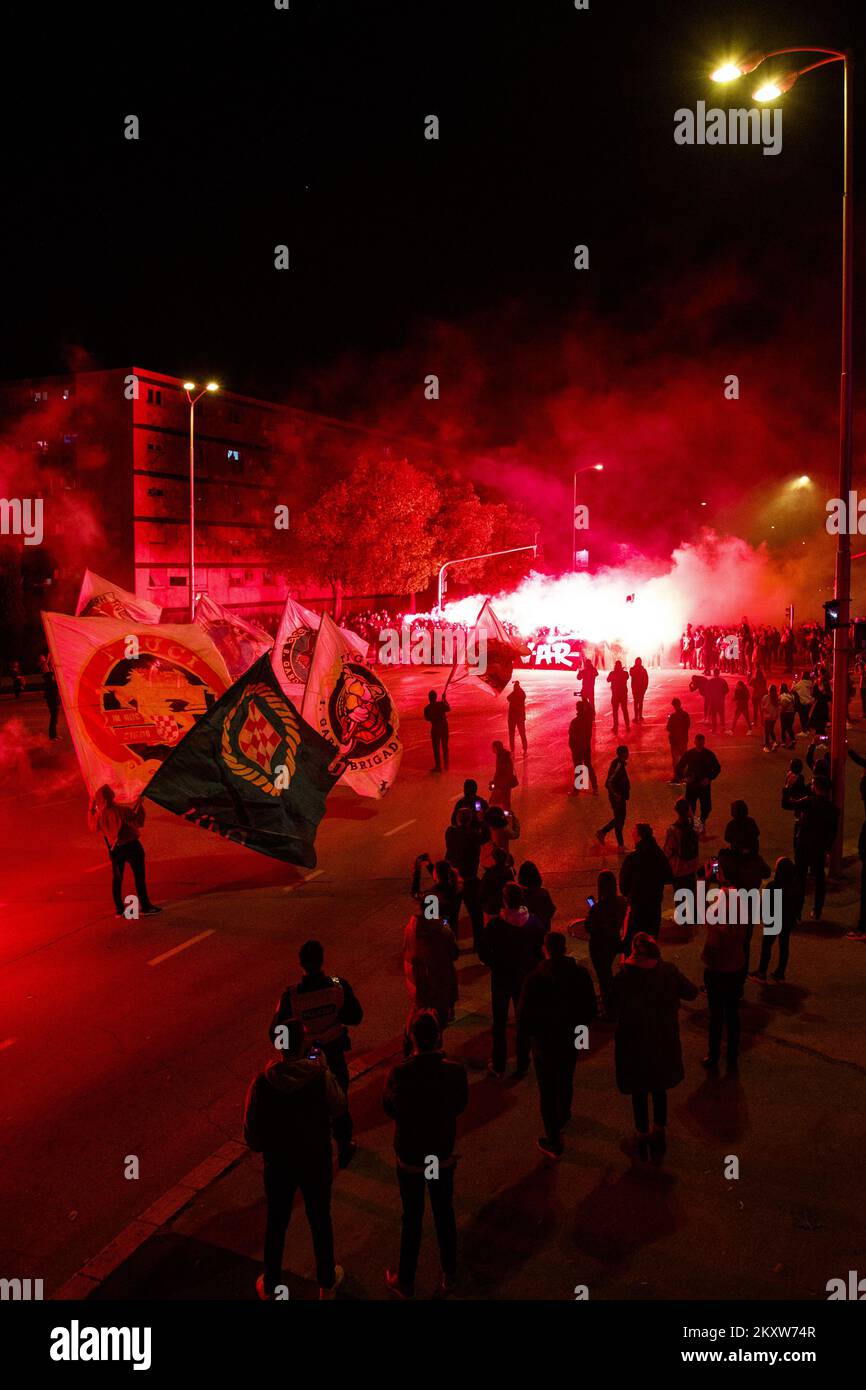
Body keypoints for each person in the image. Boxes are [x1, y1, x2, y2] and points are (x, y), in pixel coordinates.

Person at [243, 1017, 346, 1300]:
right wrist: (322, 1067)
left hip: (279, 1165)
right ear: (302, 1043)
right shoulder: (318, 1076)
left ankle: (273, 1282)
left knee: (277, 1221)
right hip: (315, 1159)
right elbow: (339, 1106)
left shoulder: (262, 1084)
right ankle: (326, 1280)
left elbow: (252, 1134)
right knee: (319, 1218)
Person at [383, 1009, 468, 1299]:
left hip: (411, 1157)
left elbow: (390, 1108)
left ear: (410, 1038)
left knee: (413, 1217)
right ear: (439, 1036)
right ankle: (450, 1273)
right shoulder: (455, 1072)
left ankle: (405, 1280)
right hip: (439, 1154)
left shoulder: (400, 1073)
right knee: (444, 1212)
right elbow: (460, 1106)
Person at [269, 941, 364, 1169]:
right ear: (322, 961)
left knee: (310, 1104)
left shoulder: (291, 996)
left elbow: (275, 1033)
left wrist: (290, 1050)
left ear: (300, 963)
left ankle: (314, 1153)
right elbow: (356, 1016)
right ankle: (343, 1145)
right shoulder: (337, 986)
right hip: (333, 1052)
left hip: (306, 1057)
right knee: (339, 1098)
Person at [608, 933, 698, 1162]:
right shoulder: (668, 971)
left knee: (639, 1090)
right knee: (659, 1087)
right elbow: (691, 992)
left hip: (634, 1042)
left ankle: (642, 1133)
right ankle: (659, 1130)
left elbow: (611, 1007)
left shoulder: (624, 977)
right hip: (662, 1039)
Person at [517, 931, 597, 1158]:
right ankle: (564, 1113)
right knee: (566, 1075)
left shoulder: (534, 979)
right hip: (570, 1037)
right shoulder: (580, 974)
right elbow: (590, 1008)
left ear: (546, 949)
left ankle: (553, 1138)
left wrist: (531, 1040)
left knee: (547, 1088)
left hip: (544, 1042)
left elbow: (524, 1016)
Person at [478, 881, 545, 1078]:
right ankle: (523, 1061)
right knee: (523, 1020)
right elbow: (541, 947)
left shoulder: (496, 925)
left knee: (499, 1022)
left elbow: (483, 952)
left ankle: (499, 1064)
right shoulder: (533, 922)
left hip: (501, 977)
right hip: (524, 978)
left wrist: (495, 962)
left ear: (504, 901)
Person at [700, 862, 752, 1073]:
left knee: (716, 1014)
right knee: (732, 1012)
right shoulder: (741, 899)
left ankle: (713, 1055)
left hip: (718, 964)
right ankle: (732, 1053)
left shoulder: (719, 898)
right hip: (736, 963)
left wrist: (704, 881)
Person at [88, 785, 161, 918]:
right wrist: (140, 804)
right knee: (139, 877)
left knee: (117, 879)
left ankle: (119, 909)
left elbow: (93, 827)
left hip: (114, 850)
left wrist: (91, 808)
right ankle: (145, 906)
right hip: (132, 847)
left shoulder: (99, 815)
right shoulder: (123, 810)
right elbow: (138, 821)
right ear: (112, 796)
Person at [790, 774, 840, 920]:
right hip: (819, 848)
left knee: (800, 878)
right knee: (819, 878)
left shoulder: (809, 802)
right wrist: (827, 849)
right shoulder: (833, 809)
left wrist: (787, 787)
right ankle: (817, 910)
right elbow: (833, 833)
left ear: (816, 787)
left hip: (804, 846)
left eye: (812, 784)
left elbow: (788, 803)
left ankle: (797, 911)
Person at [619, 822, 674, 952]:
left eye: (633, 833)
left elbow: (623, 886)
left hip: (638, 906)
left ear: (639, 836)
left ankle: (633, 963)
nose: (632, 835)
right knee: (651, 938)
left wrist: (631, 893)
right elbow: (668, 876)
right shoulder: (659, 855)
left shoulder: (633, 858)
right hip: (654, 904)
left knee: (633, 939)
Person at [750, 857, 801, 982]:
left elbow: (766, 906)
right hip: (787, 920)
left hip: (773, 919)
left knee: (767, 945)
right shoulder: (794, 886)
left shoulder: (773, 886)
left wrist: (763, 917)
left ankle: (762, 972)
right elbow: (797, 904)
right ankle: (780, 973)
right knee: (784, 946)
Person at [584, 869, 627, 1014]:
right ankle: (611, 1000)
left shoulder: (597, 908)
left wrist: (592, 908)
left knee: (603, 975)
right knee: (607, 971)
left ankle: (609, 1007)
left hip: (599, 945)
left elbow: (589, 926)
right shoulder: (621, 902)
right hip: (614, 941)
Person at [444, 808, 485, 950]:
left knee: (451, 916)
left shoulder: (450, 833)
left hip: (453, 880)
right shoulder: (474, 835)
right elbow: (485, 836)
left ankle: (452, 944)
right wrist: (481, 820)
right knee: (476, 916)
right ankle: (479, 945)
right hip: (470, 880)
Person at [675, 733, 721, 837]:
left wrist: (709, 778)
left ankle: (701, 822)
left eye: (701, 742)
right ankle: (696, 825)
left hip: (704, 786)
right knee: (691, 808)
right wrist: (683, 778)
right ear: (695, 742)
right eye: (698, 742)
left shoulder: (709, 754)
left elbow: (717, 768)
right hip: (692, 786)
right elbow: (679, 766)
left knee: (707, 807)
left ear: (703, 743)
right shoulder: (689, 754)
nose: (700, 744)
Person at [663, 798, 701, 900]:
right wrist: (691, 814)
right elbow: (701, 829)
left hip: (679, 868)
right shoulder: (694, 824)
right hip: (692, 866)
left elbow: (667, 851)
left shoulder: (673, 829)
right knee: (691, 896)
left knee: (680, 900)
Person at [596, 745, 630, 849]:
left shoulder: (619, 764)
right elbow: (609, 782)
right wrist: (616, 795)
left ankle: (604, 833)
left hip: (620, 796)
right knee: (619, 820)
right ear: (623, 754)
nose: (628, 754)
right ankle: (619, 844)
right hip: (617, 798)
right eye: (627, 752)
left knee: (620, 819)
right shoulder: (618, 765)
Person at [568, 696, 598, 794]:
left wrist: (572, 747)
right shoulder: (588, 720)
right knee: (588, 765)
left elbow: (571, 736)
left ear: (577, 709)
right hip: (586, 746)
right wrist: (585, 699)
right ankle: (595, 788)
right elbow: (590, 711)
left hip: (577, 748)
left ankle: (577, 790)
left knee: (579, 767)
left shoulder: (575, 722)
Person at [517, 860, 557, 928]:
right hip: (543, 927)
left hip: (527, 929)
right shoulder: (543, 893)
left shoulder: (520, 896)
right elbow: (551, 910)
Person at [423, 690, 450, 772]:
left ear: (429, 698)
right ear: (435, 697)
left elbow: (427, 718)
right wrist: (444, 700)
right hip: (444, 728)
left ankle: (438, 766)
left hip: (435, 729)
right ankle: (446, 766)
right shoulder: (441, 704)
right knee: (445, 747)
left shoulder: (427, 708)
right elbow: (448, 708)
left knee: (436, 749)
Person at [666, 698, 691, 782]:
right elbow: (688, 726)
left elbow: (668, 728)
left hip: (675, 741)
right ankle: (685, 776)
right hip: (683, 739)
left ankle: (676, 777)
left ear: (674, 706)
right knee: (684, 759)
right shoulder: (685, 715)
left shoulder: (673, 716)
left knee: (675, 760)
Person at [489, 740, 518, 811]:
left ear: (496, 748)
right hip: (502, 784)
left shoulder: (503, 758)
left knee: (500, 801)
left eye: (493, 747)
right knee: (504, 801)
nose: (492, 749)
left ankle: (504, 815)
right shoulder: (501, 756)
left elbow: (503, 772)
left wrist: (498, 783)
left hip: (503, 785)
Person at [39, 653, 60, 740]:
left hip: (54, 696)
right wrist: (48, 658)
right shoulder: (46, 673)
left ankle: (54, 735)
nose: (44, 661)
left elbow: (51, 666)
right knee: (53, 716)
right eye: (42, 660)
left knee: (55, 716)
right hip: (51, 697)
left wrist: (50, 658)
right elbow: (46, 666)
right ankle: (52, 736)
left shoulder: (50, 672)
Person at [607, 660, 630, 734]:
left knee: (615, 711)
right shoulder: (624, 673)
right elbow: (627, 677)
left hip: (615, 694)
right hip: (623, 694)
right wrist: (621, 670)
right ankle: (627, 725)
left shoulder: (613, 673)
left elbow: (608, 679)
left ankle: (616, 726)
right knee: (624, 710)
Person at [507, 680, 527, 754]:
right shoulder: (522, 693)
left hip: (513, 717)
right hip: (519, 717)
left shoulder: (516, 694)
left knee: (512, 734)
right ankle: (524, 748)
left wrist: (515, 691)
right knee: (522, 733)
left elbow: (508, 698)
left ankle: (512, 749)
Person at [706, 670, 729, 734]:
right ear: (719, 673)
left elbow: (707, 691)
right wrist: (722, 694)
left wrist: (711, 695)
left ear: (714, 673)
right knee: (721, 714)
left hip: (713, 701)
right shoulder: (723, 681)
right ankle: (723, 727)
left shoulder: (710, 681)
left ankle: (714, 729)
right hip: (720, 700)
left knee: (714, 715)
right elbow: (727, 690)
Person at [761, 683, 780, 752]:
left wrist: (765, 710)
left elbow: (762, 707)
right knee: (771, 730)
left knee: (766, 731)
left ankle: (767, 746)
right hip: (773, 718)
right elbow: (778, 709)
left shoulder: (766, 697)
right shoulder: (776, 698)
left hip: (767, 717)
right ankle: (774, 742)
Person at [629, 657, 649, 722]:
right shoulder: (643, 670)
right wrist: (645, 687)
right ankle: (640, 716)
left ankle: (636, 717)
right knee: (640, 702)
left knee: (636, 702)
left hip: (635, 688)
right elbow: (646, 679)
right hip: (641, 688)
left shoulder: (633, 669)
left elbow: (631, 673)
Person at [778, 682, 796, 748]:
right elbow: (794, 703)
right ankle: (793, 739)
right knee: (789, 727)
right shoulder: (791, 695)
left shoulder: (781, 696)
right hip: (791, 713)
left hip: (784, 713)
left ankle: (783, 742)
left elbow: (779, 704)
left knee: (783, 727)